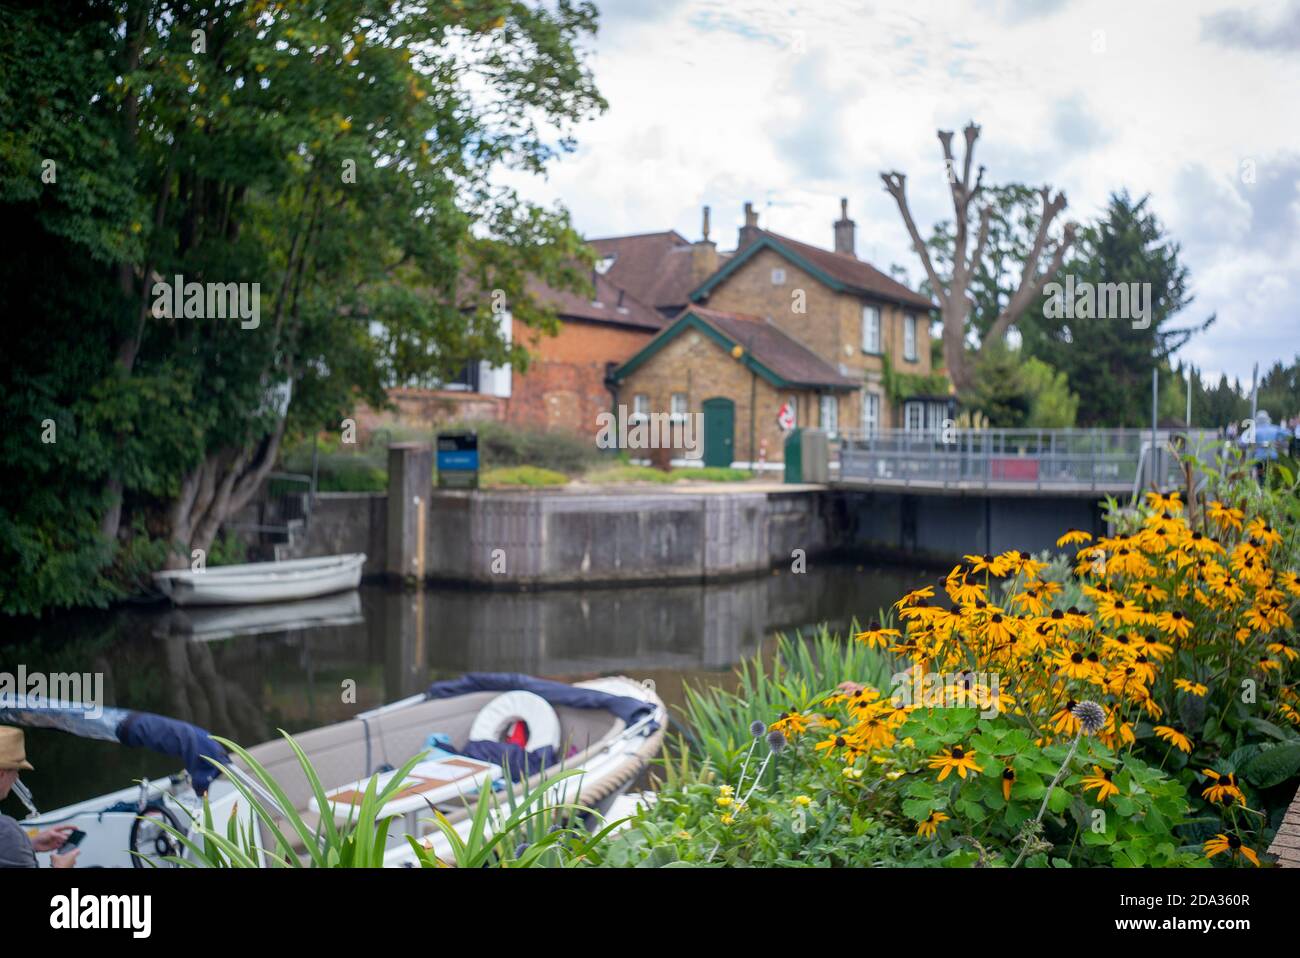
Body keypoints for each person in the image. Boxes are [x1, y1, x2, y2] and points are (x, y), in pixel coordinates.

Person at [0, 727, 79, 868]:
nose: (16, 777)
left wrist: (29, 844)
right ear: (1, 774)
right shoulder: (6, 831)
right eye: (16, 770)